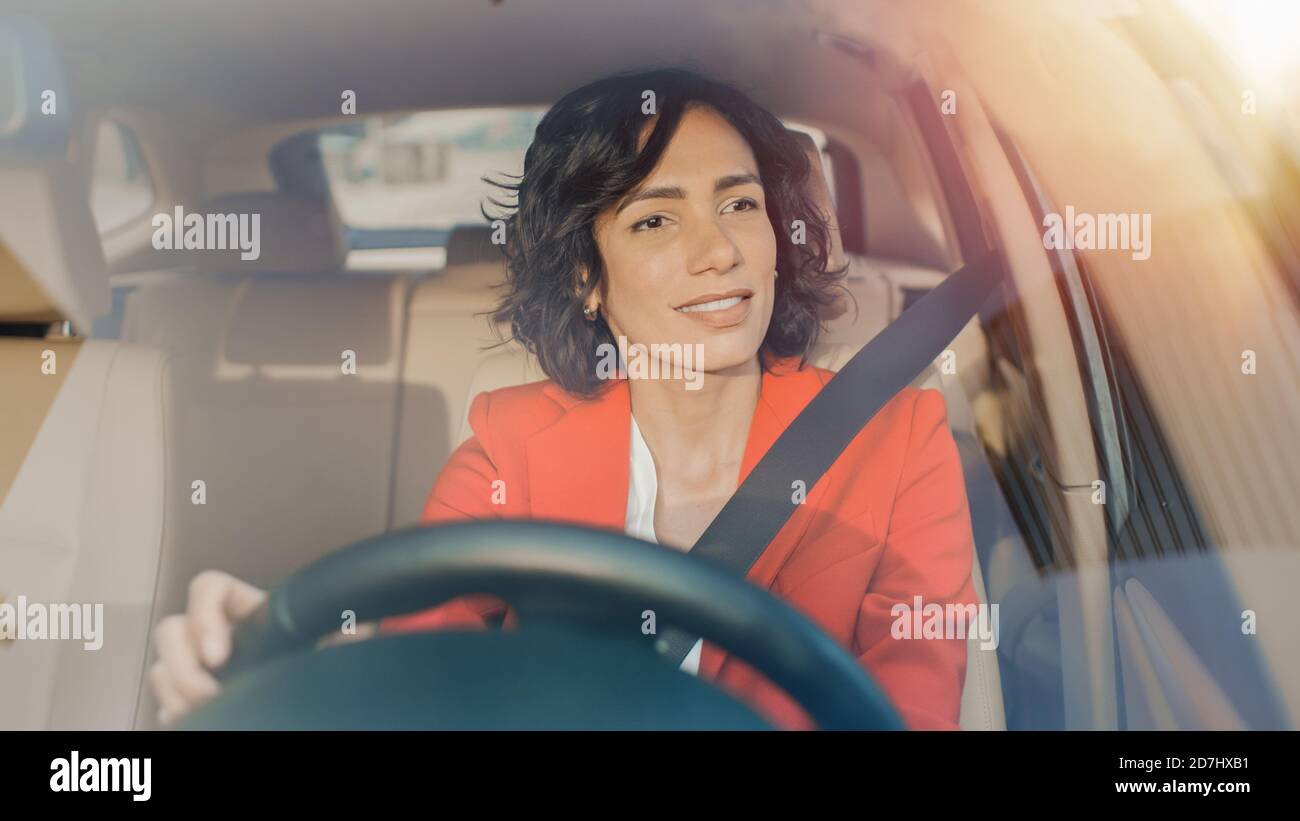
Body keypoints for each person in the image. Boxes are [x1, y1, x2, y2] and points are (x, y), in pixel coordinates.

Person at [150, 67, 979, 730]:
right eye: (655, 221)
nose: (719, 248)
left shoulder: (899, 439)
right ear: (587, 278)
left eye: (739, 203)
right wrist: (285, 658)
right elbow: (418, 654)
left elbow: (911, 708)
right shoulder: (512, 443)